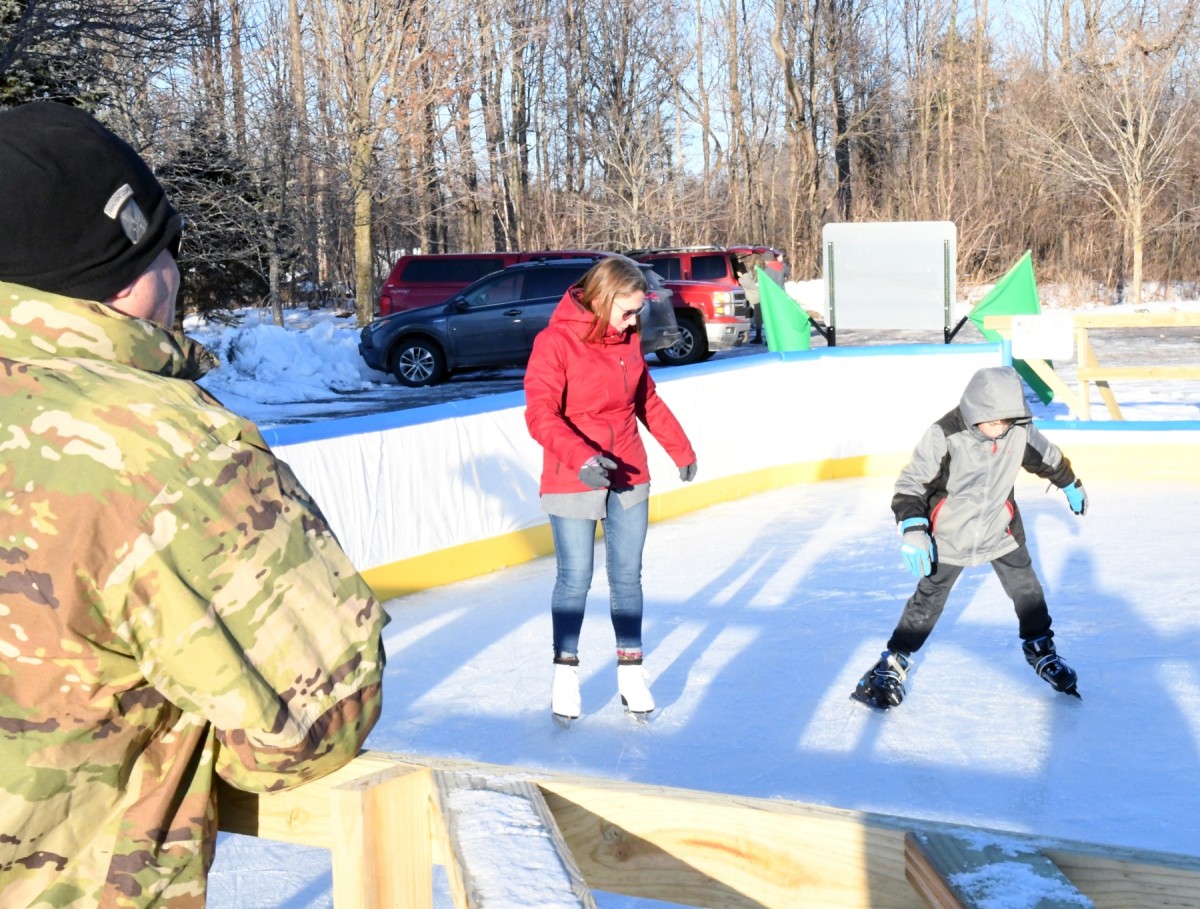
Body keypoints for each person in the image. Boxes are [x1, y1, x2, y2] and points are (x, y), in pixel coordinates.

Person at [0, 101, 387, 907]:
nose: (178, 278)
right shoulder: (161, 448)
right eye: (168, 250)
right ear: (127, 267)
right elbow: (316, 724)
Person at [852, 365, 1087, 710]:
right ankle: (893, 661)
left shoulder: (1018, 431)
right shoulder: (944, 435)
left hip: (1000, 527)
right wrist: (914, 527)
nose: (1000, 429)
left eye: (1007, 421)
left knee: (1027, 590)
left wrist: (1069, 483)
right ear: (976, 410)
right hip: (949, 534)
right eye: (994, 422)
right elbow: (912, 483)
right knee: (929, 600)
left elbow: (1046, 458)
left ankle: (1041, 649)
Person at [524, 256, 697, 724]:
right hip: (572, 473)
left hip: (628, 472)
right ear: (602, 298)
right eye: (628, 310)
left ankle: (630, 673)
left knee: (627, 577)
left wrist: (679, 448)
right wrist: (581, 458)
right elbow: (540, 414)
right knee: (574, 577)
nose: (634, 319)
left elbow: (646, 399)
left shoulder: (628, 341)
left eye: (639, 311)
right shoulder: (554, 342)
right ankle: (564, 673)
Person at [737, 252, 766, 343]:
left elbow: (743, 282)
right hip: (756, 300)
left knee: (758, 320)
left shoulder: (743, 279)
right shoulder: (749, 276)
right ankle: (757, 337)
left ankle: (758, 338)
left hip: (756, 300)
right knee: (758, 319)